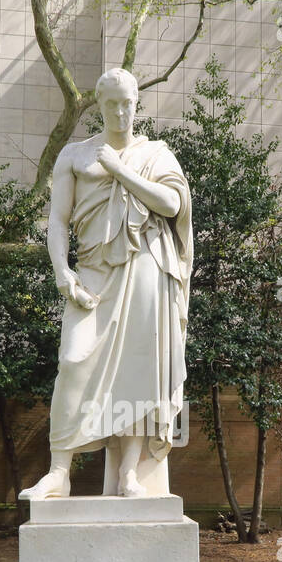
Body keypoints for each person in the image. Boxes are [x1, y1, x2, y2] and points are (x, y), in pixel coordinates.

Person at [19, 67, 193, 500]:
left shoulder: (155, 155)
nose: (119, 111)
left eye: (126, 103)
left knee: (137, 370)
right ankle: (59, 470)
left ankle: (128, 476)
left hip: (145, 265)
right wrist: (62, 271)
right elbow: (57, 223)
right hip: (93, 269)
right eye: (110, 103)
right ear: (98, 105)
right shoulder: (74, 156)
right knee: (73, 361)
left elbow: (172, 203)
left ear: (137, 104)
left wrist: (120, 171)